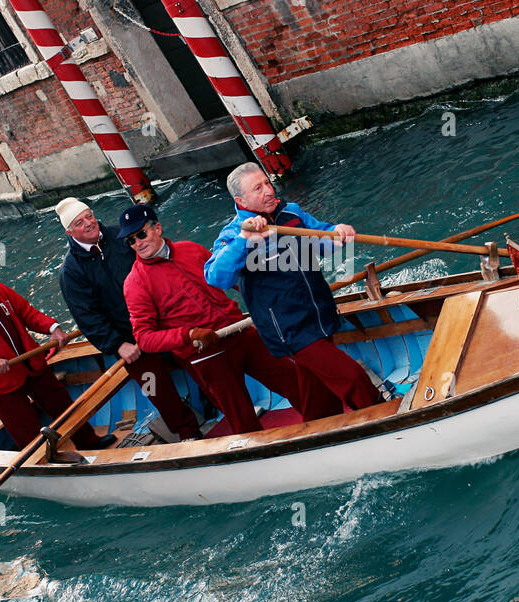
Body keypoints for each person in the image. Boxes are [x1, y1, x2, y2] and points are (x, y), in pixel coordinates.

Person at [121, 204, 342, 435]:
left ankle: (330, 426)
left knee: (295, 381)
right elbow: (144, 338)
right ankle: (262, 459)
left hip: (240, 333)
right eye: (131, 241)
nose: (138, 243)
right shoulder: (136, 282)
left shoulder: (192, 249)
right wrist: (189, 335)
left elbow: (234, 279)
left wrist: (268, 302)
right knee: (241, 416)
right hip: (205, 353)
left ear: (157, 228)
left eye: (141, 234)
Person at [204, 163, 383, 413]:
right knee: (352, 377)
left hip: (317, 311)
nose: (268, 190)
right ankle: (384, 417)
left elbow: (322, 240)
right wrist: (244, 242)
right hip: (287, 327)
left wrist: (337, 233)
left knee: (316, 390)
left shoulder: (291, 214)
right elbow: (215, 277)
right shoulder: (234, 234)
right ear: (240, 200)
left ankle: (319, 427)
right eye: (258, 188)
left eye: (267, 182)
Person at [0, 248, 116, 452]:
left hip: (32, 365)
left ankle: (89, 442)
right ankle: (43, 463)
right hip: (0, 382)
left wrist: (53, 328)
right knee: (26, 431)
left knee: (65, 407)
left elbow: (26, 312)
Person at [55, 197, 200, 441]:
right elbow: (87, 316)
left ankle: (215, 404)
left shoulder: (123, 237)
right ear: (70, 232)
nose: (89, 223)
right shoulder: (71, 272)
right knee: (155, 388)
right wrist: (117, 345)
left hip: (164, 321)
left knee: (198, 363)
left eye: (89, 215)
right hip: (128, 340)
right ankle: (188, 432)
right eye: (80, 222)